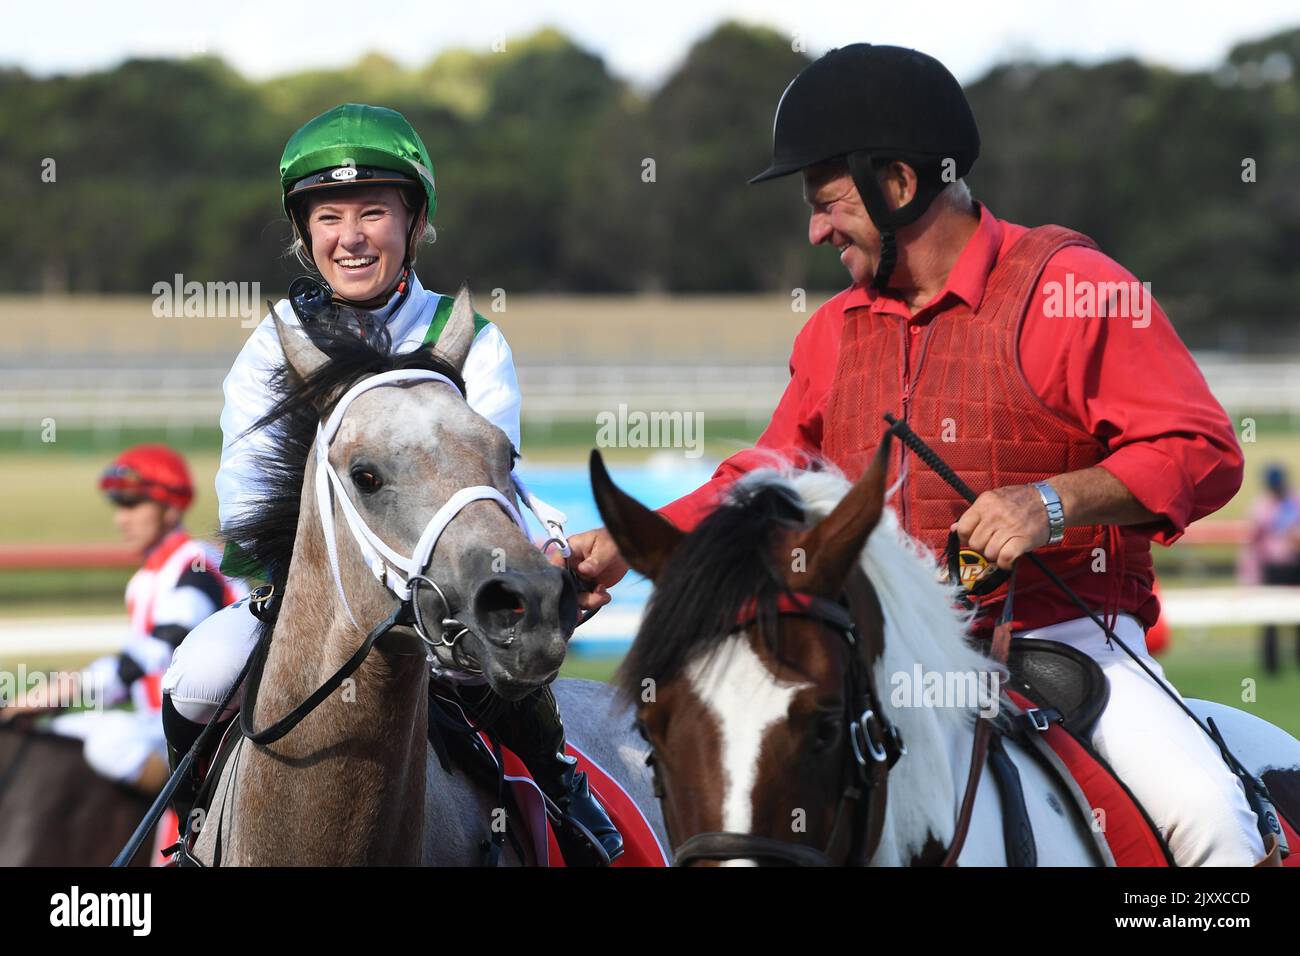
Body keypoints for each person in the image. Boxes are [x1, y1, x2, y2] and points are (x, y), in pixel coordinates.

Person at [561, 45, 1269, 866]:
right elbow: (764, 475)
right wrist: (633, 541)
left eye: (828, 203)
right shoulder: (832, 334)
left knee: (1214, 819)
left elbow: (1203, 450)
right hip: (886, 660)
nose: (817, 229)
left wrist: (1050, 504)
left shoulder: (1074, 290)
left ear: (897, 184)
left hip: (1069, 640)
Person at [159, 103, 621, 864]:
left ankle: (560, 785)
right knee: (199, 674)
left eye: (374, 212)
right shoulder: (274, 343)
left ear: (414, 222)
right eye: (329, 216)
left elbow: (496, 481)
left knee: (502, 666)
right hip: (311, 602)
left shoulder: (464, 334)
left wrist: (542, 547)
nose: (351, 236)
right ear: (305, 232)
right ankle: (194, 823)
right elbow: (243, 498)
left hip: (440, 589)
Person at [1, 445, 240, 795]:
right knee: (57, 735)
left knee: (111, 747)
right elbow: (131, 677)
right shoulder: (144, 581)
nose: (120, 519)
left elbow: (161, 647)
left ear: (171, 508)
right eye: (118, 506)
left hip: (205, 724)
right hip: (155, 720)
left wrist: (72, 687)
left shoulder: (196, 564)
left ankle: (192, 810)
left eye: (133, 505)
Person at [1239, 463, 1300, 673]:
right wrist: (1250, 575)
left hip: (1294, 565)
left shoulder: (1294, 502)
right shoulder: (1261, 507)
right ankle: (1271, 666)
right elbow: (1253, 544)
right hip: (1271, 568)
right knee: (1269, 618)